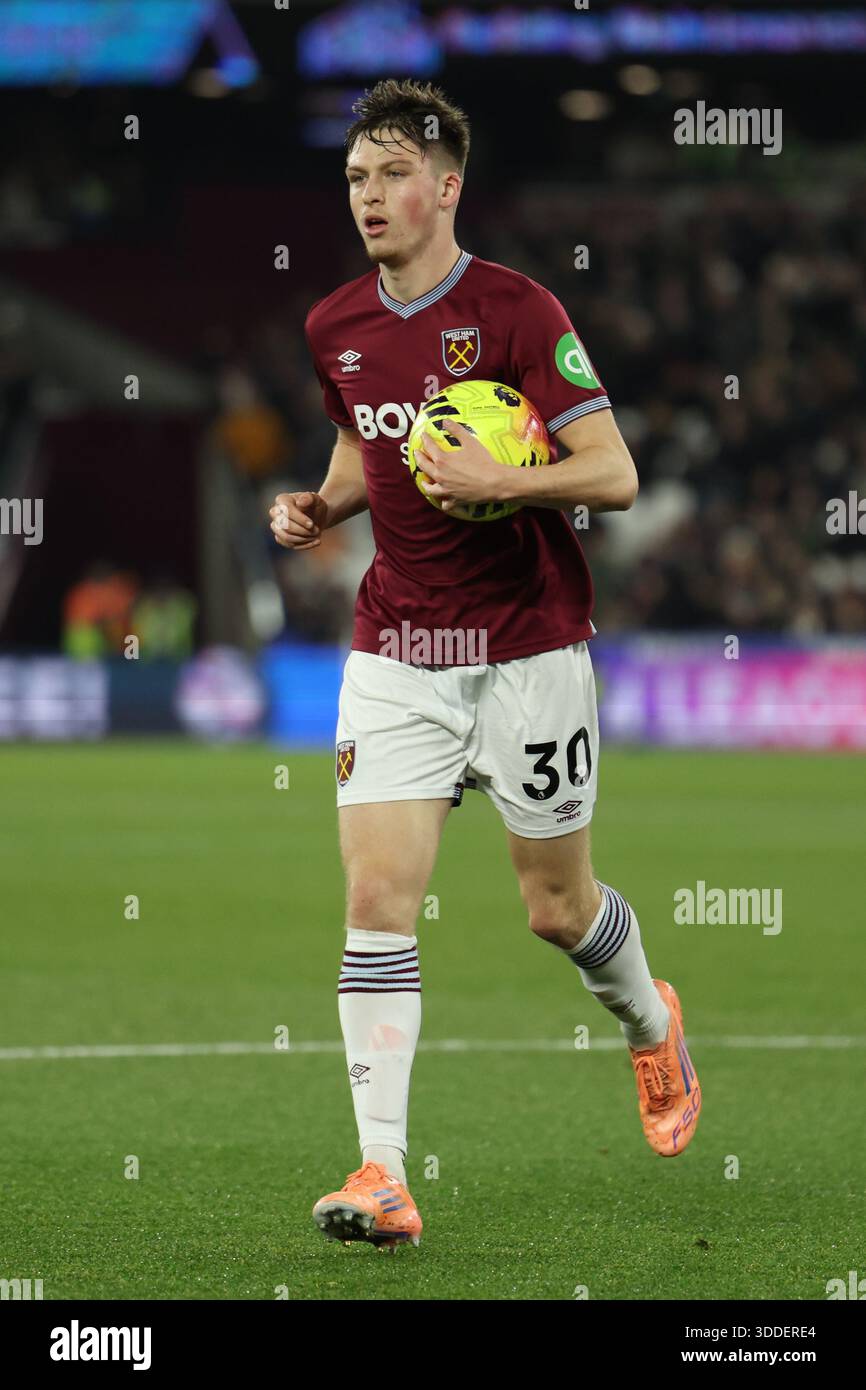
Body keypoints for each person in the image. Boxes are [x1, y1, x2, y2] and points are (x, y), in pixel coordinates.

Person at [269, 79, 701, 1251]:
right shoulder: (335, 327)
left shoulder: (516, 312)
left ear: (445, 187)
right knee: (374, 902)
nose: (369, 194)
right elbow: (368, 437)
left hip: (527, 647)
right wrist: (321, 504)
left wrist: (501, 481)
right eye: (356, 176)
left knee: (553, 909)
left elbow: (607, 471)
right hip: (398, 648)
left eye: (392, 174)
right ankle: (383, 1171)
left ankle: (645, 1021)